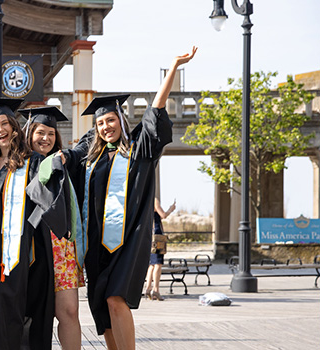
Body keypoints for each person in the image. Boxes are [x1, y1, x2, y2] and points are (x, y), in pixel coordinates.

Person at [77, 47, 196, 350]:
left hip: (128, 241)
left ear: (121, 120)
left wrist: (173, 67)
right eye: (101, 123)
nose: (106, 127)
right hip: (95, 243)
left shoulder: (138, 152)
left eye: (111, 120)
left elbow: (155, 110)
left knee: (117, 298)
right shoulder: (91, 160)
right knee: (101, 305)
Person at [0, 97, 56, 350]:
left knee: (20, 309)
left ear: (15, 127)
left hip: (24, 250)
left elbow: (46, 203)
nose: (0, 130)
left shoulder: (34, 162)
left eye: (4, 124)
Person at [20, 106, 85, 350]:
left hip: (62, 247)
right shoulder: (20, 166)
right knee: (36, 312)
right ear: (28, 134)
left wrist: (64, 157)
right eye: (40, 132)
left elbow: (87, 142)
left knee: (69, 310)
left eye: (50, 133)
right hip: (34, 249)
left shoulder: (62, 163)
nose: (45, 138)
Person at [145, 197, 176, 301]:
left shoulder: (143, 199)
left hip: (149, 234)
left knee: (151, 264)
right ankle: (156, 290)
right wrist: (170, 209)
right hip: (157, 235)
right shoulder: (154, 200)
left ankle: (148, 288)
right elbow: (163, 215)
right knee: (158, 263)